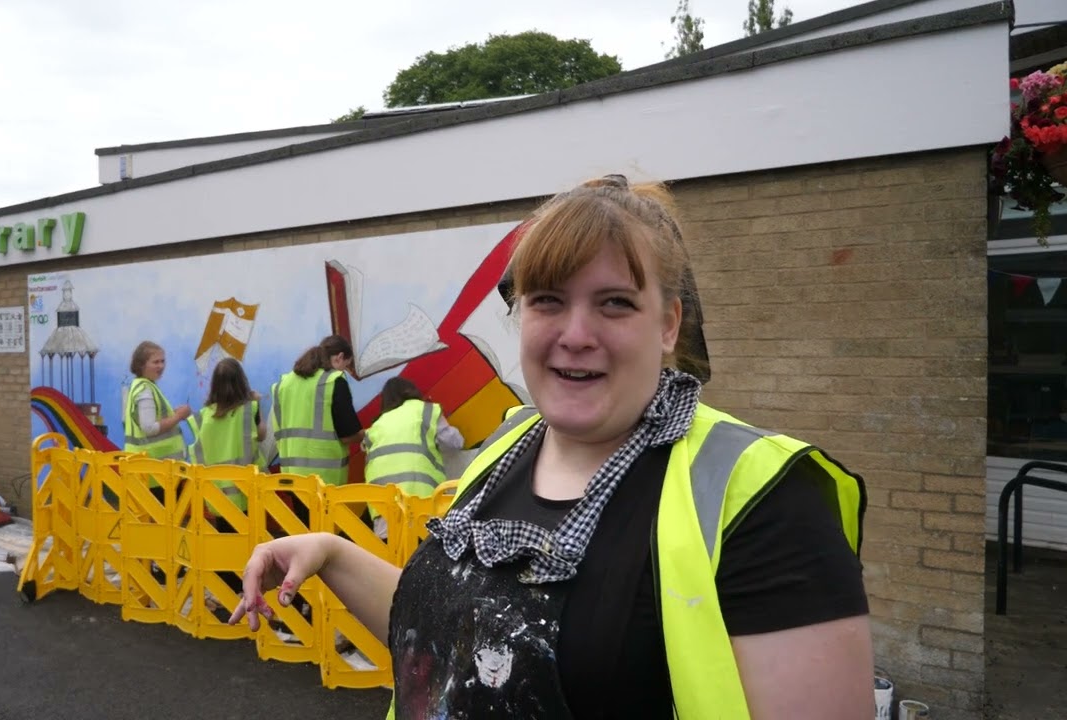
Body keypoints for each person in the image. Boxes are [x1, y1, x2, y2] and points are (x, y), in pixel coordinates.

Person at [230, 175, 873, 718]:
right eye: (548, 301)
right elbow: (458, 637)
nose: (575, 334)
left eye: (615, 303)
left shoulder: (764, 499)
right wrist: (333, 554)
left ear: (669, 323)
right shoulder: (504, 449)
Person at [363, 376, 463, 540]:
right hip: (420, 502)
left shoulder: (376, 426)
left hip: (383, 511)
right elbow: (455, 442)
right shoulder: (426, 410)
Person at [270, 335, 364, 489]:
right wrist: (369, 434)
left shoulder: (283, 385)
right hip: (325, 481)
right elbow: (348, 435)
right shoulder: (334, 381)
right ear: (340, 357)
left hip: (292, 478)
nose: (344, 372)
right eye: (346, 366)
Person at [189, 357, 267, 512]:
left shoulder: (204, 415)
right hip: (247, 492)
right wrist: (258, 405)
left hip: (217, 496)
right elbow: (262, 435)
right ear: (241, 381)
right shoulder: (248, 410)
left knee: (223, 535)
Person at [124, 341, 193, 499]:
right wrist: (178, 416)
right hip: (155, 472)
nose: (161, 366)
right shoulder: (145, 390)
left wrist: (173, 414)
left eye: (163, 361)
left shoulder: (143, 386)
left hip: (153, 471)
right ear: (141, 365)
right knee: (163, 521)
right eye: (155, 362)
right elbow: (150, 428)